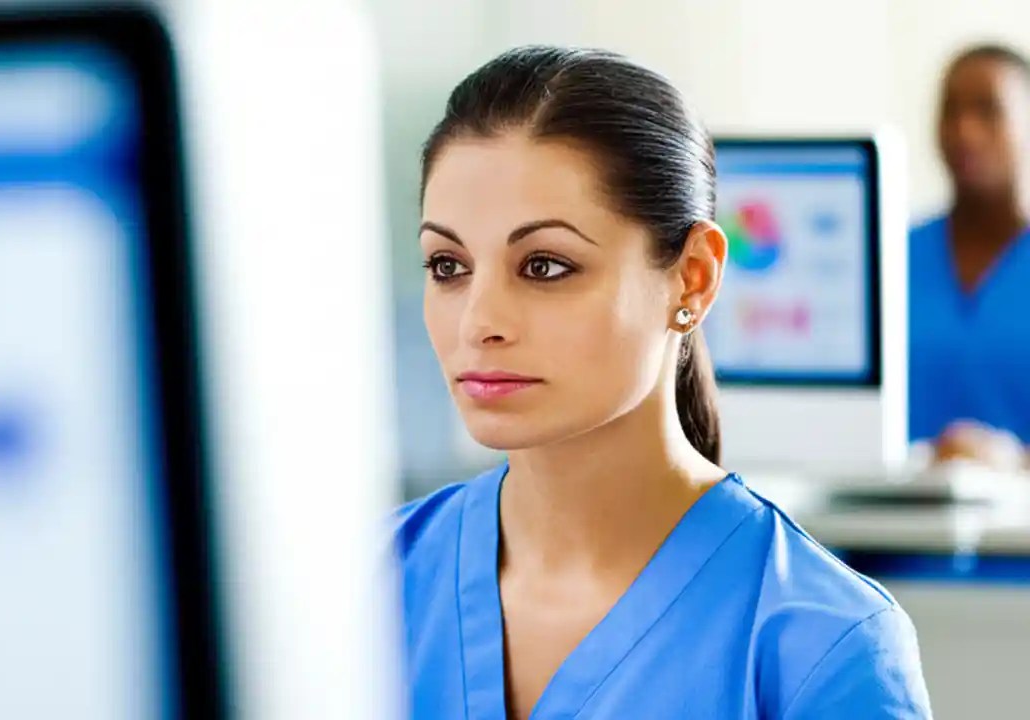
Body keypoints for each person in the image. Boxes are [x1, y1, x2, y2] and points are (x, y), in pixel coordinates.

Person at [393, 46, 932, 719]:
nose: (479, 322)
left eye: (545, 266)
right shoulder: (367, 589)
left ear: (693, 277)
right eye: (448, 266)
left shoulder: (822, 645)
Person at [911, 44, 1030, 470]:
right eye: (950, 111)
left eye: (987, 110)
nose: (964, 130)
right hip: (883, 527)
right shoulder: (894, 260)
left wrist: (1016, 462)